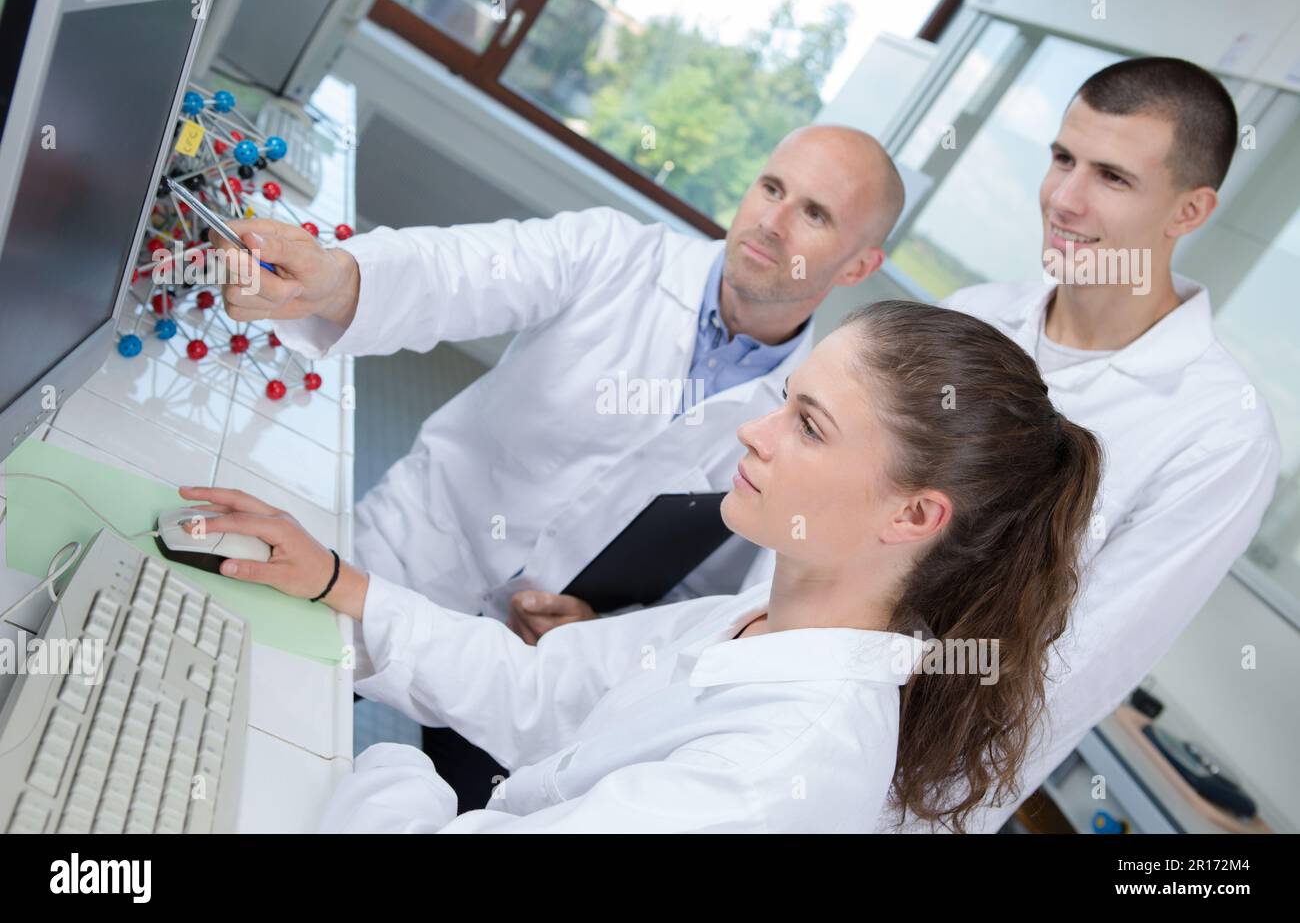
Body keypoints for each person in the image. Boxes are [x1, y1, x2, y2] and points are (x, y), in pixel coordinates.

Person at [177, 300, 1102, 832]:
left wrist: (397, 776)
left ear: (913, 515)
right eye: (785, 399)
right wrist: (340, 583)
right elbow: (541, 693)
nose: (753, 430)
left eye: (808, 426)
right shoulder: (757, 619)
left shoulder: (781, 764)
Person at [211, 125, 905, 809]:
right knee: (233, 707)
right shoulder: (613, 254)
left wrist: (608, 624)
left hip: (545, 664)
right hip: (411, 555)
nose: (773, 223)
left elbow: (731, 594)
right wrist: (339, 277)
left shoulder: (815, 424)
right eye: (771, 187)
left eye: (814, 213)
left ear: (857, 267)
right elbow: (461, 271)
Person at [870, 57, 1280, 832]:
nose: (1064, 198)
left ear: (1189, 210)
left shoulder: (1218, 432)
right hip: (781, 688)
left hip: (907, 784)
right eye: (1062, 158)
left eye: (1113, 178)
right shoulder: (974, 317)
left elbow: (1076, 668)